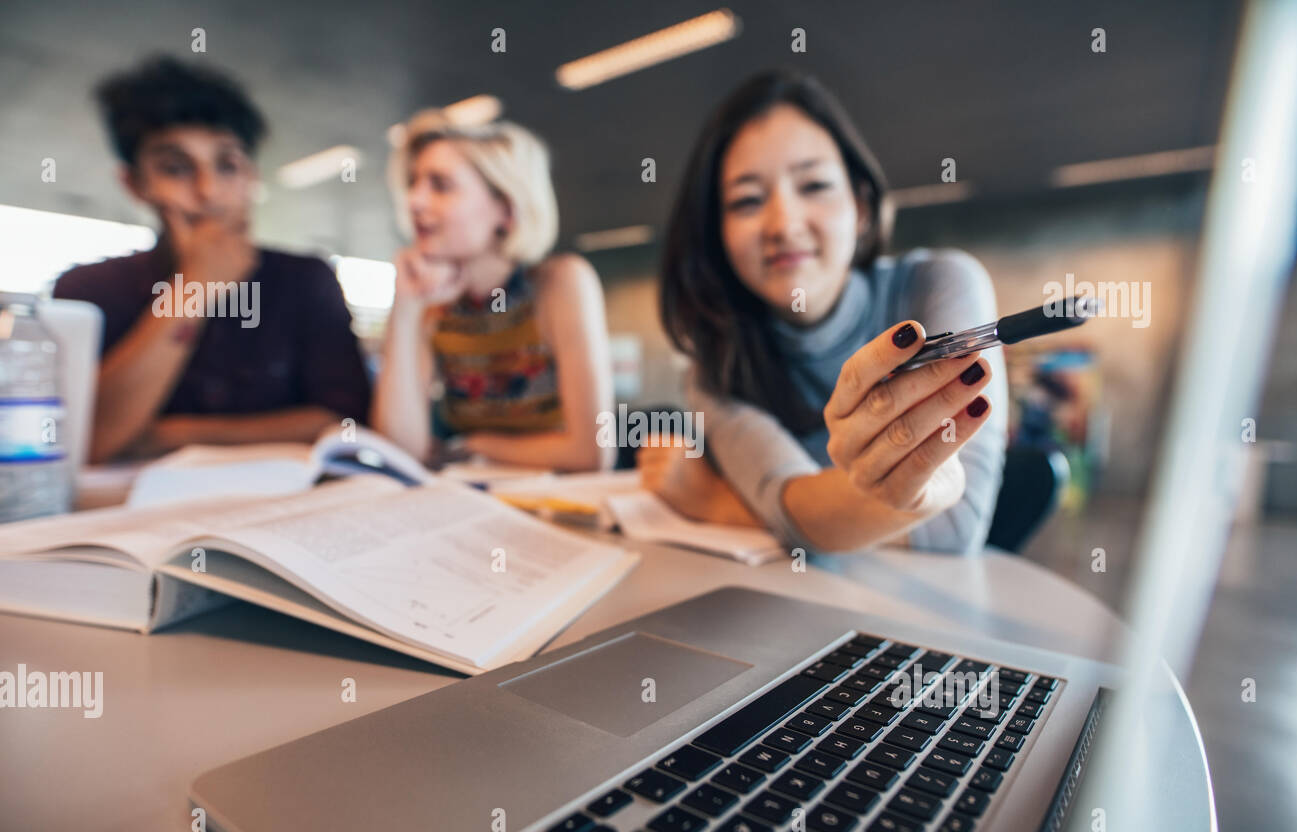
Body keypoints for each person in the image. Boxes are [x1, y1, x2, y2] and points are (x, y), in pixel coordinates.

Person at [639, 70, 1008, 554]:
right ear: (718, 235)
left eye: (813, 185)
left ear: (860, 207)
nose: (784, 224)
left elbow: (953, 529)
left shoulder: (937, 285)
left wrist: (719, 503)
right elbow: (790, 499)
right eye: (747, 200)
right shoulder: (720, 361)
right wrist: (797, 511)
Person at [54, 56, 372, 463]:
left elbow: (344, 422)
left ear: (251, 176)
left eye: (226, 164)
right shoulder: (88, 290)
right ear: (135, 184)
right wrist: (194, 288)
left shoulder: (306, 280)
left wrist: (171, 435)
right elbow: (91, 438)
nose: (207, 191)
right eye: (175, 168)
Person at [370, 110, 614, 471]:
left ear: (506, 209)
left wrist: (473, 445)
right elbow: (400, 452)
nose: (414, 201)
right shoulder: (430, 301)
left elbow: (591, 454)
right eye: (413, 183)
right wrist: (404, 310)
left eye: (440, 185)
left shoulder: (559, 283)